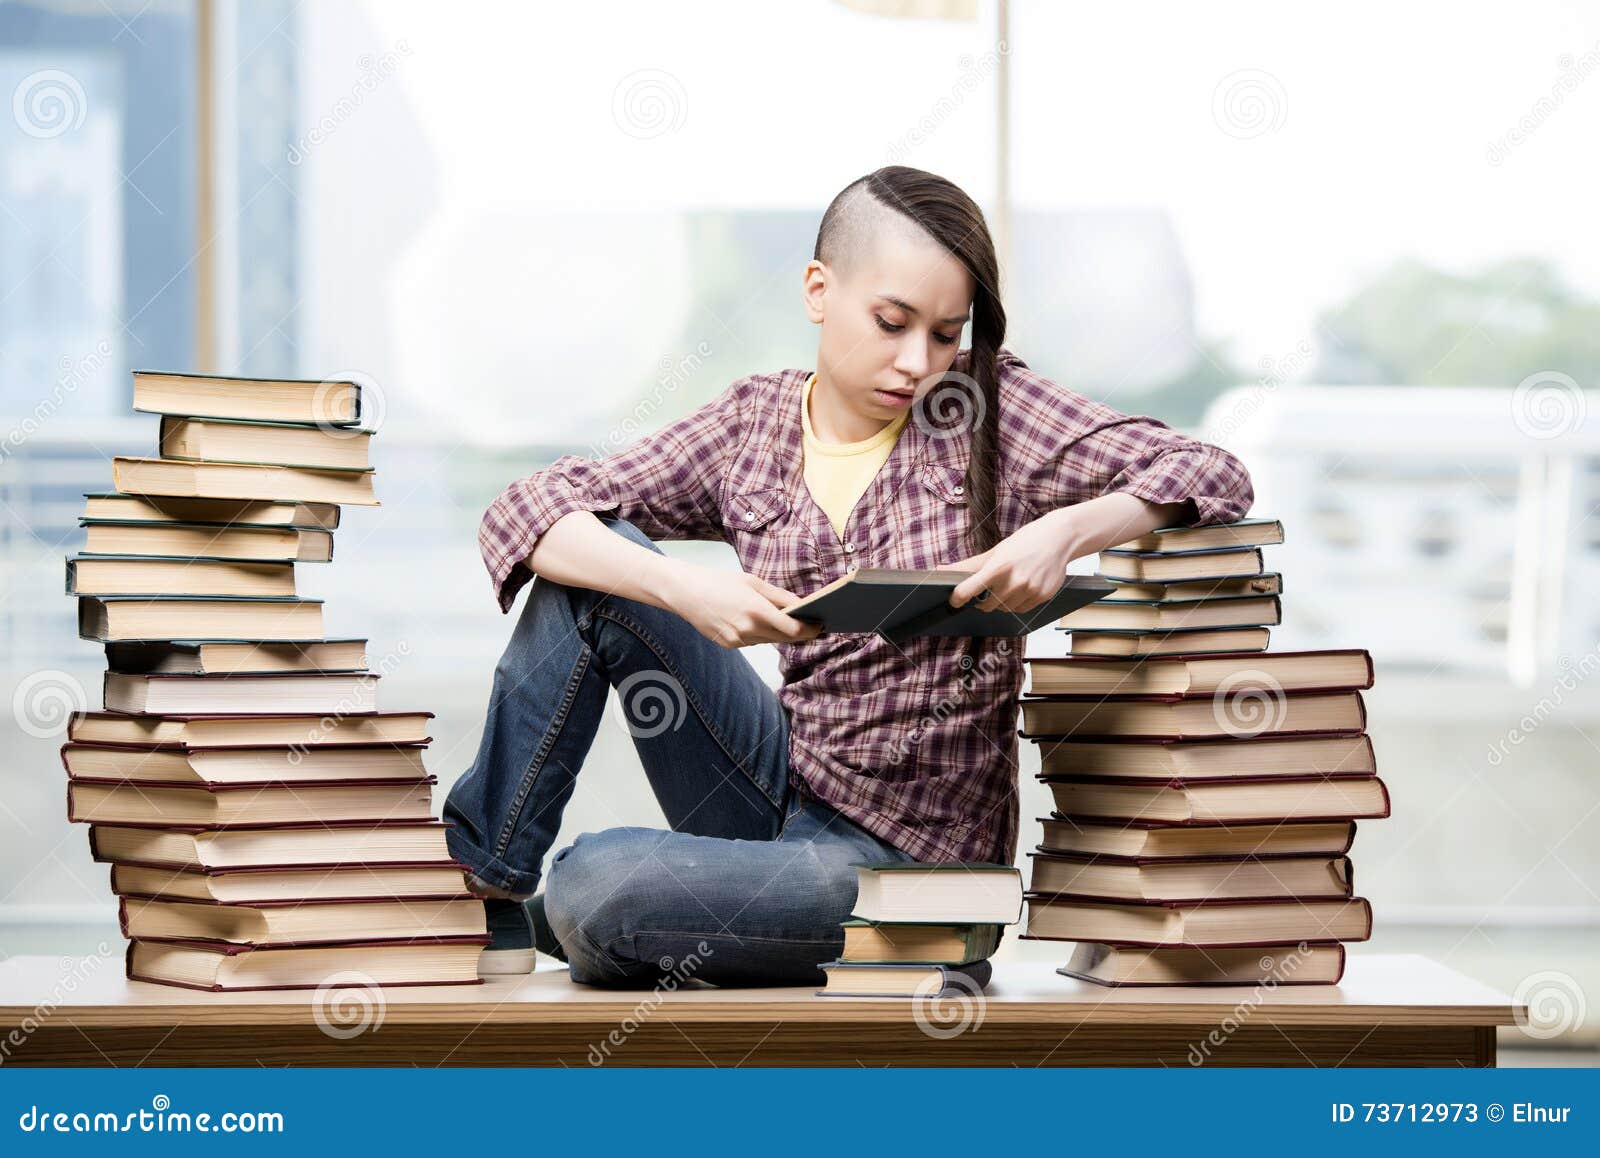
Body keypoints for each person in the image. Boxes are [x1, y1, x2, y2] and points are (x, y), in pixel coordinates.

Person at [442, 165, 1254, 986]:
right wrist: (685, 589)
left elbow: (1207, 468)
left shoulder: (987, 405)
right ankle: (490, 890)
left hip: (911, 874)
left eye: (944, 333)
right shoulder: (751, 425)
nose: (916, 363)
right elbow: (528, 508)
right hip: (777, 790)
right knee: (591, 568)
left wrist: (1064, 531)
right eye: (892, 321)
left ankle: (629, 917)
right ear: (818, 290)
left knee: (596, 883)